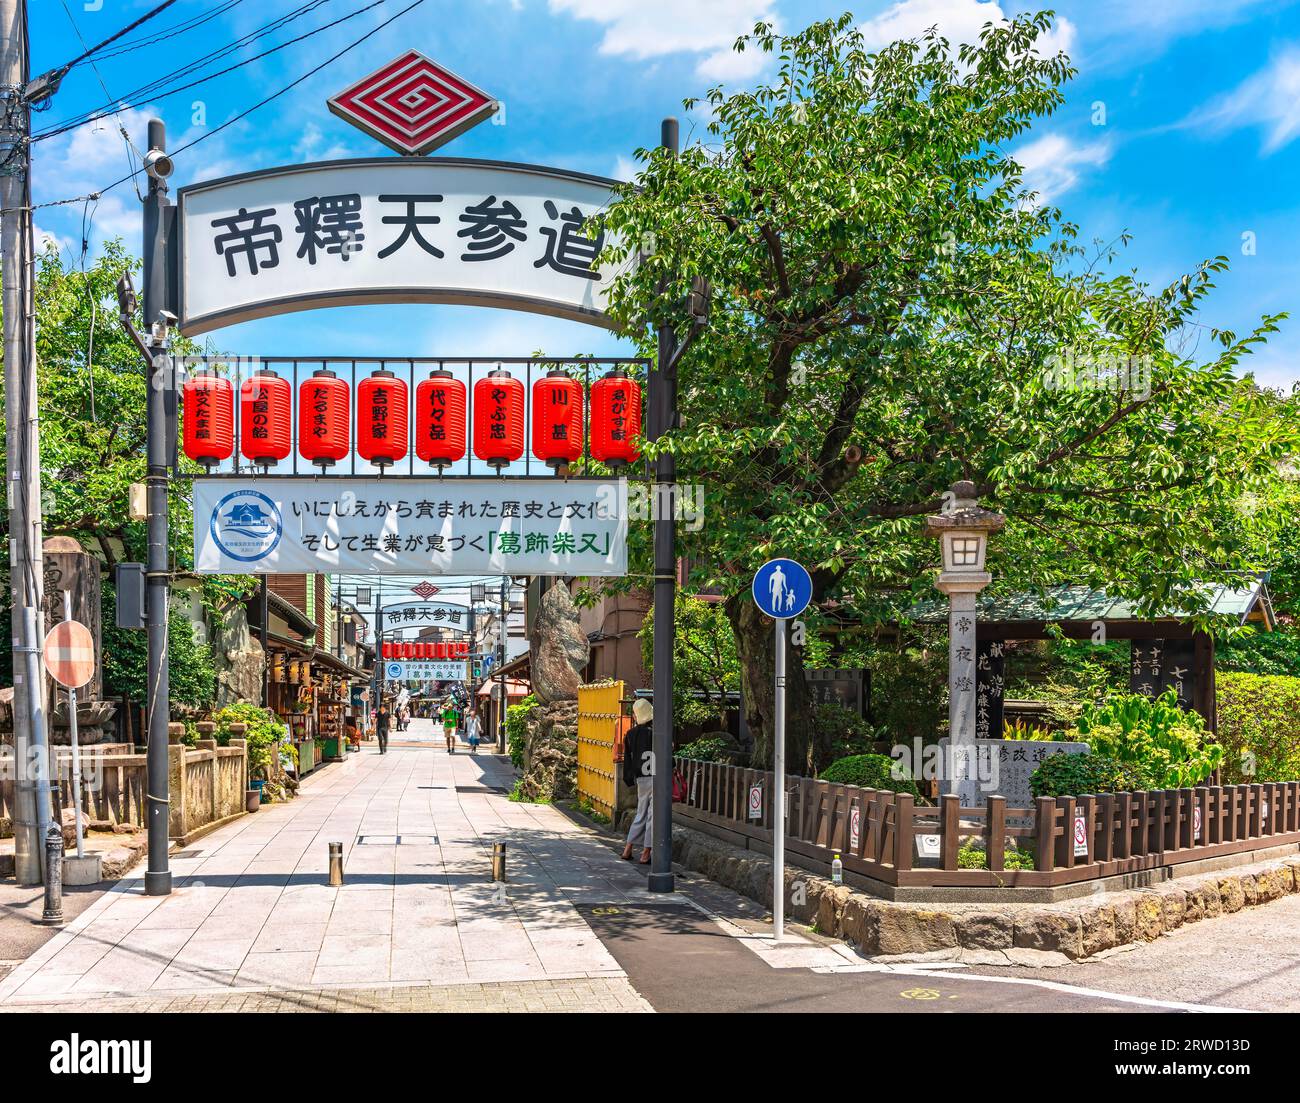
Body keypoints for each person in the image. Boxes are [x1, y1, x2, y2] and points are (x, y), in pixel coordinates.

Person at [621, 698, 655, 864]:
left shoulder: (630, 734)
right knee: (653, 816)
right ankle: (646, 853)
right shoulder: (655, 733)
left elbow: (628, 759)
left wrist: (628, 778)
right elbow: (666, 758)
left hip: (641, 778)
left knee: (640, 813)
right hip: (656, 778)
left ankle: (628, 848)